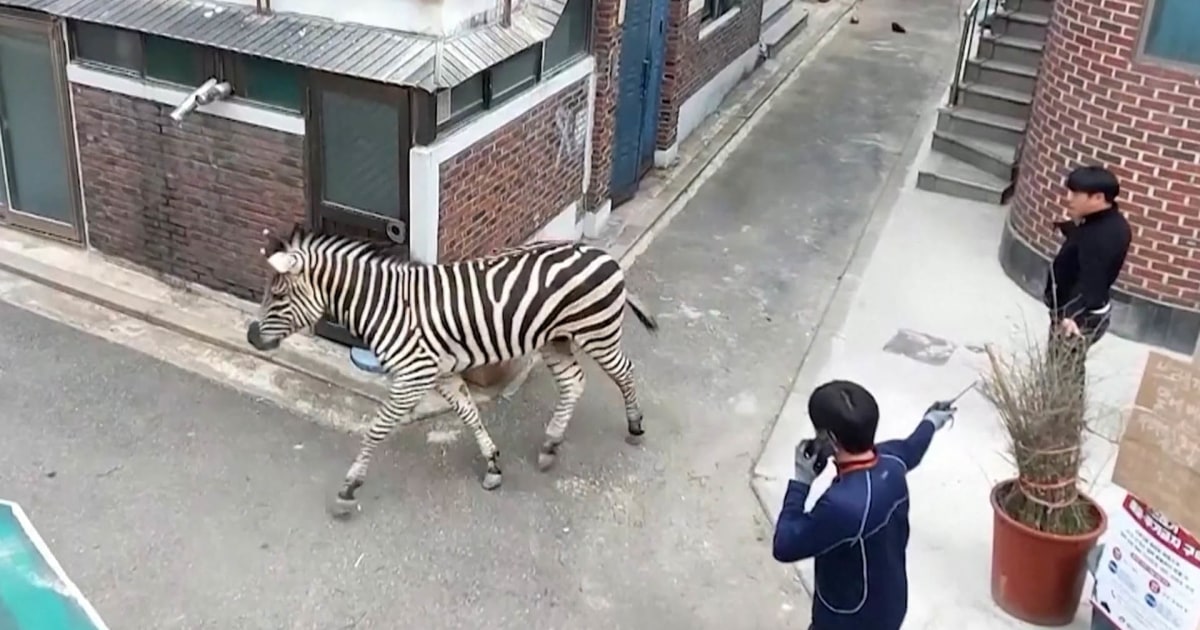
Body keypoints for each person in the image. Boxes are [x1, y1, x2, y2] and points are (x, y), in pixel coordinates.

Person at [772, 380, 955, 630]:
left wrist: (801, 482)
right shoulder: (891, 460)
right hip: (890, 603)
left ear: (830, 439)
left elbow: (785, 544)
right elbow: (912, 448)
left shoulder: (842, 506)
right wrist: (932, 420)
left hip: (849, 619)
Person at [1044, 165, 1132, 390]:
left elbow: (1093, 277)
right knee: (1061, 370)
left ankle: (1061, 421)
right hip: (1076, 311)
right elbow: (1085, 241)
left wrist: (1071, 315)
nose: (1068, 198)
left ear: (1098, 198)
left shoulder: (1104, 236)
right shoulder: (1100, 221)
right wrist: (1068, 228)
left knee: (1063, 377)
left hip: (1080, 318)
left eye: (1075, 194)